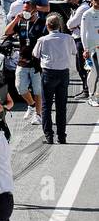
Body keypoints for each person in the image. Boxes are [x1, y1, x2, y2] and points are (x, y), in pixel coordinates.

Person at [32, 12, 75, 144]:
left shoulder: (43, 40)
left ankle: (49, 136)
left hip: (49, 73)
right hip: (63, 73)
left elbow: (35, 54)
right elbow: (73, 51)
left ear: (47, 26)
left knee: (47, 106)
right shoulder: (68, 38)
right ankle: (62, 136)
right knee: (61, 106)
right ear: (59, 25)